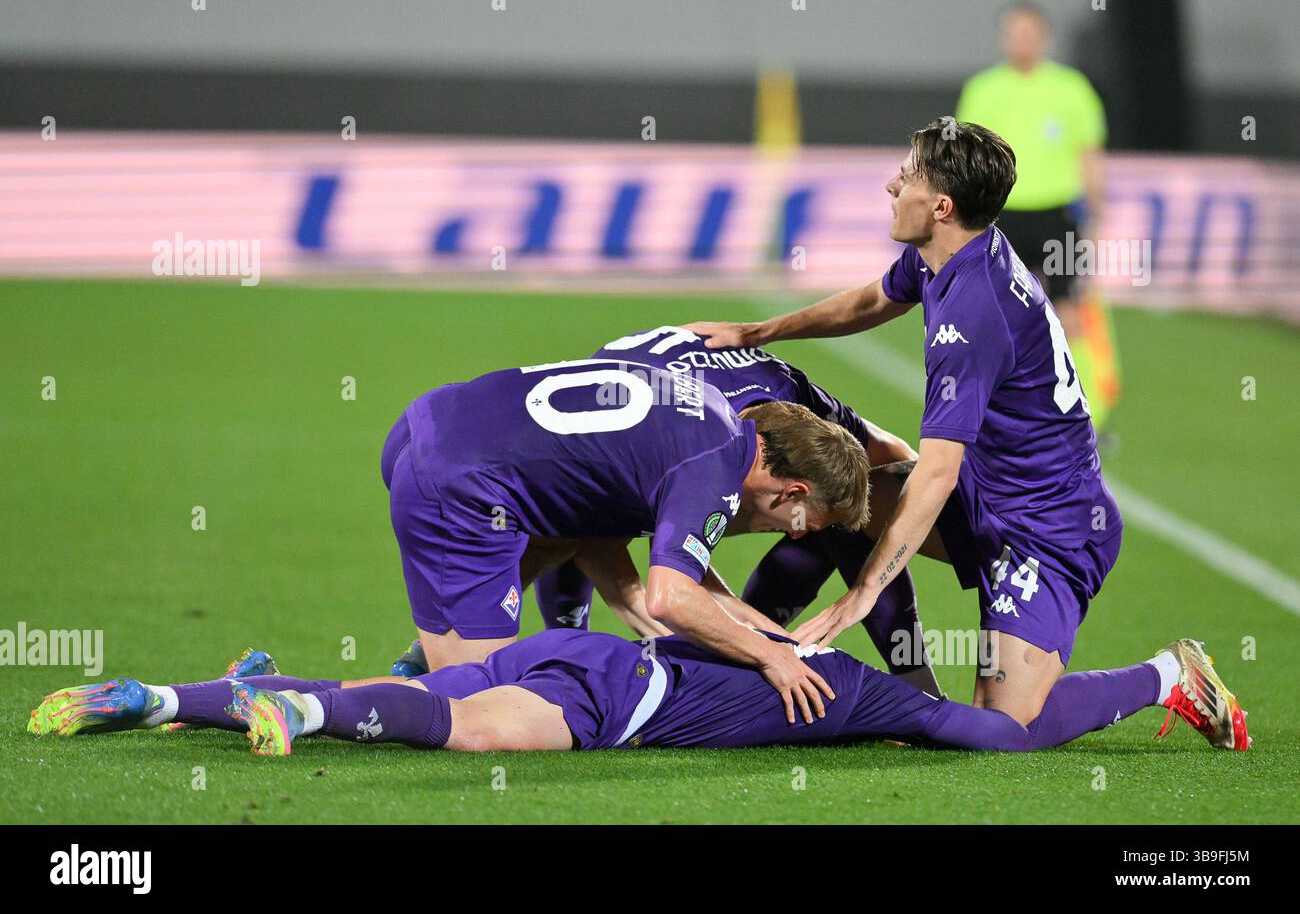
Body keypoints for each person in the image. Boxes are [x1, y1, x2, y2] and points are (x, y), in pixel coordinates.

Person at [683, 119, 1144, 733]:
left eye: (906, 177)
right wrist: (758, 331)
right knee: (838, 502)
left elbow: (936, 474)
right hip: (985, 492)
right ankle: (762, 663)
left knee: (1001, 729)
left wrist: (864, 592)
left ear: (942, 206)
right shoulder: (947, 253)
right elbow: (875, 299)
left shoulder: (974, 314)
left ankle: (1169, 675)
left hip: (1044, 529)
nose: (890, 185)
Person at [376, 358, 871, 723]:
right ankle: (309, 703)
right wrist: (768, 656)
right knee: (478, 703)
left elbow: (608, 551)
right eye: (800, 523)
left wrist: (783, 645)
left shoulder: (712, 414)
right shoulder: (715, 472)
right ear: (793, 490)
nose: (787, 533)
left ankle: (424, 654)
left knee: (555, 542)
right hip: (459, 485)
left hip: (432, 423)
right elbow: (671, 598)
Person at [491, 325, 950, 695]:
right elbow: (634, 577)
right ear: (784, 488)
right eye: (795, 520)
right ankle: (559, 654)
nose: (793, 535)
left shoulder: (817, 419)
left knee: (845, 523)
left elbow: (893, 456)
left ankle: (914, 685)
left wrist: (760, 642)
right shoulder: (699, 453)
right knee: (576, 529)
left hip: (692, 376)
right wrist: (741, 646)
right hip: (609, 416)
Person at [27, 631, 1249, 754]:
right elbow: (984, 724)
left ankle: (168, 695)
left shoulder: (737, 594)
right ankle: (1163, 670)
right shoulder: (858, 693)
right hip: (616, 694)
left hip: (591, 656)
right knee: (462, 730)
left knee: (409, 693)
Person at [955, 1, 1119, 429]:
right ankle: (997, 412)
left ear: (1043, 36)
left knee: (1068, 310)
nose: (1022, 40)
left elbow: (1089, 153)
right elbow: (968, 157)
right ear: (1003, 37)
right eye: (1014, 32)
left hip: (1058, 215)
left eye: (1029, 32)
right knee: (996, 311)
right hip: (1001, 216)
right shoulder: (983, 89)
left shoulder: (1071, 88)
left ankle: (1086, 415)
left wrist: (1096, 211)